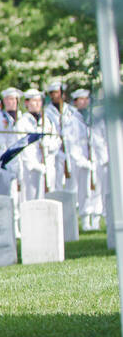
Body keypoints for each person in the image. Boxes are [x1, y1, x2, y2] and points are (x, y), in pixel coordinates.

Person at [71, 88, 102, 230]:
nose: (84, 102)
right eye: (81, 99)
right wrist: (81, 161)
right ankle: (85, 220)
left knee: (98, 190)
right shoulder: (72, 120)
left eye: (86, 99)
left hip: (96, 159)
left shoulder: (93, 118)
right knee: (84, 191)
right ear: (76, 102)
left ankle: (96, 219)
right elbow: (71, 142)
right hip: (82, 161)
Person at [16, 88, 54, 202]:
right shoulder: (22, 123)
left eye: (39, 101)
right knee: (31, 200)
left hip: (46, 166)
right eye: (34, 101)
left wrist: (48, 144)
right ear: (27, 103)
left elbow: (56, 140)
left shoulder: (46, 121)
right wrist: (34, 165)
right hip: (31, 169)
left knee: (46, 200)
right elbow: (22, 148)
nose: (38, 104)